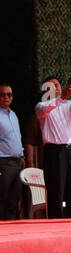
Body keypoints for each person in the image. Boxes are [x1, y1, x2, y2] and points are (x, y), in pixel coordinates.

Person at [35, 76, 71, 218]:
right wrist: (62, 97)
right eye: (50, 86)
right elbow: (45, 110)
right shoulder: (41, 106)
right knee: (55, 192)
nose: (55, 88)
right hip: (54, 152)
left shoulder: (69, 104)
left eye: (57, 85)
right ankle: (55, 225)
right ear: (45, 89)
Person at [0, 82, 23, 220]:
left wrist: (21, 155)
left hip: (17, 162)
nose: (6, 97)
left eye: (9, 94)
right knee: (2, 197)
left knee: (14, 199)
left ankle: (11, 231)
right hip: (3, 162)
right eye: (2, 95)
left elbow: (16, 138)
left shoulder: (13, 115)